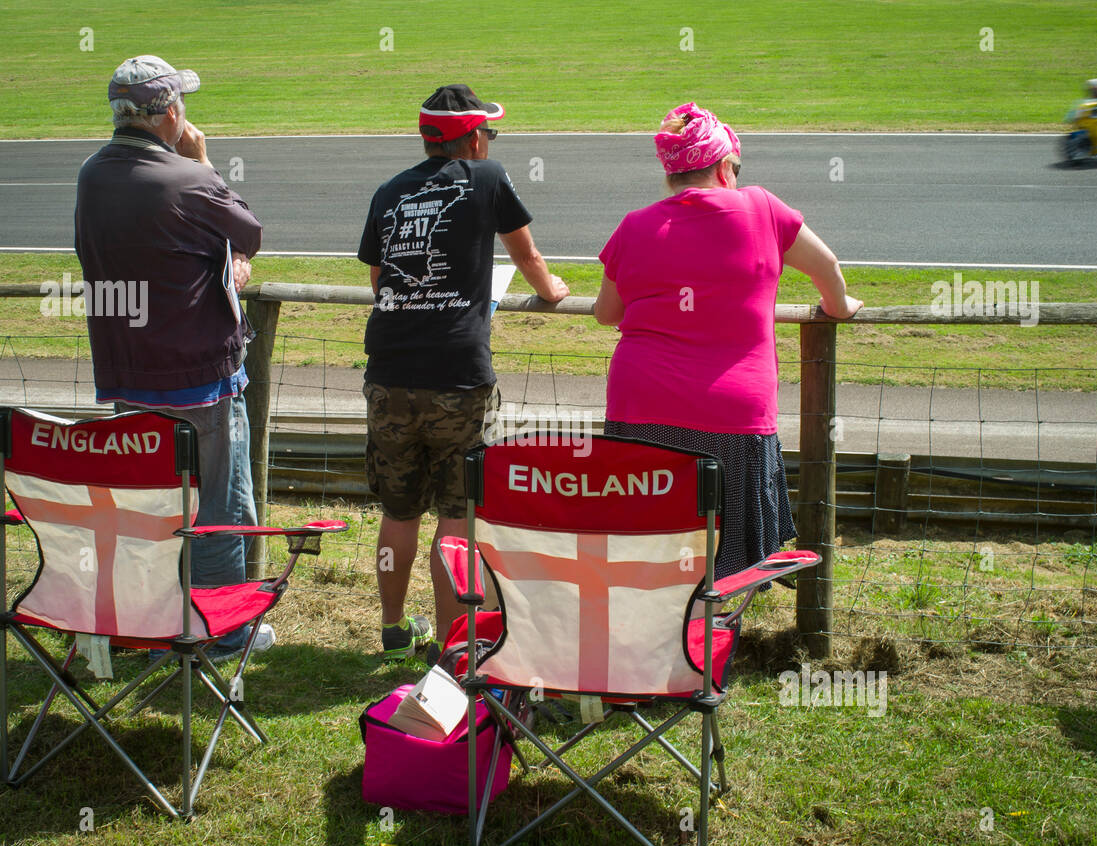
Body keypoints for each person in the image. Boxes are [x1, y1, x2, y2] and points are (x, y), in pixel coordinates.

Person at [593, 103, 861, 581]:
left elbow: (606, 313)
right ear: (722, 166)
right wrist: (840, 306)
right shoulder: (761, 208)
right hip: (733, 415)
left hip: (641, 407)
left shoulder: (635, 225)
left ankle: (661, 642)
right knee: (729, 562)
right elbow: (829, 270)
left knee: (648, 552)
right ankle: (711, 642)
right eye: (736, 168)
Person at [358, 84, 569, 661]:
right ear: (474, 137)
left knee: (398, 513)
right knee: (456, 515)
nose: (491, 143)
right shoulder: (488, 176)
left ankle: (394, 627)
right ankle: (453, 648)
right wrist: (552, 290)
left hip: (389, 371)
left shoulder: (390, 190)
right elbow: (526, 257)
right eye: (490, 134)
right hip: (457, 375)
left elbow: (380, 281)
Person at [75, 55, 269, 661]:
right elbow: (249, 232)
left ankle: (154, 619)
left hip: (129, 376)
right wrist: (201, 160)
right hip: (198, 380)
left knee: (153, 506)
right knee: (220, 508)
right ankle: (220, 630)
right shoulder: (183, 178)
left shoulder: (91, 175)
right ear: (170, 114)